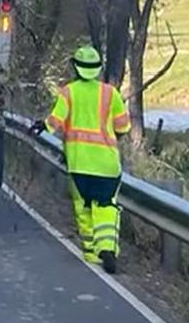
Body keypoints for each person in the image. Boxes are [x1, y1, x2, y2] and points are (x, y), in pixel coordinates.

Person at [31, 45, 132, 274]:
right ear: (98, 68)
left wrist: (42, 125)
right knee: (107, 207)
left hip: (79, 164)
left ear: (75, 68)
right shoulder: (110, 93)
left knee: (83, 207)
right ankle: (108, 247)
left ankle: (91, 250)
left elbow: (55, 121)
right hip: (107, 164)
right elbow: (123, 126)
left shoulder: (69, 92)